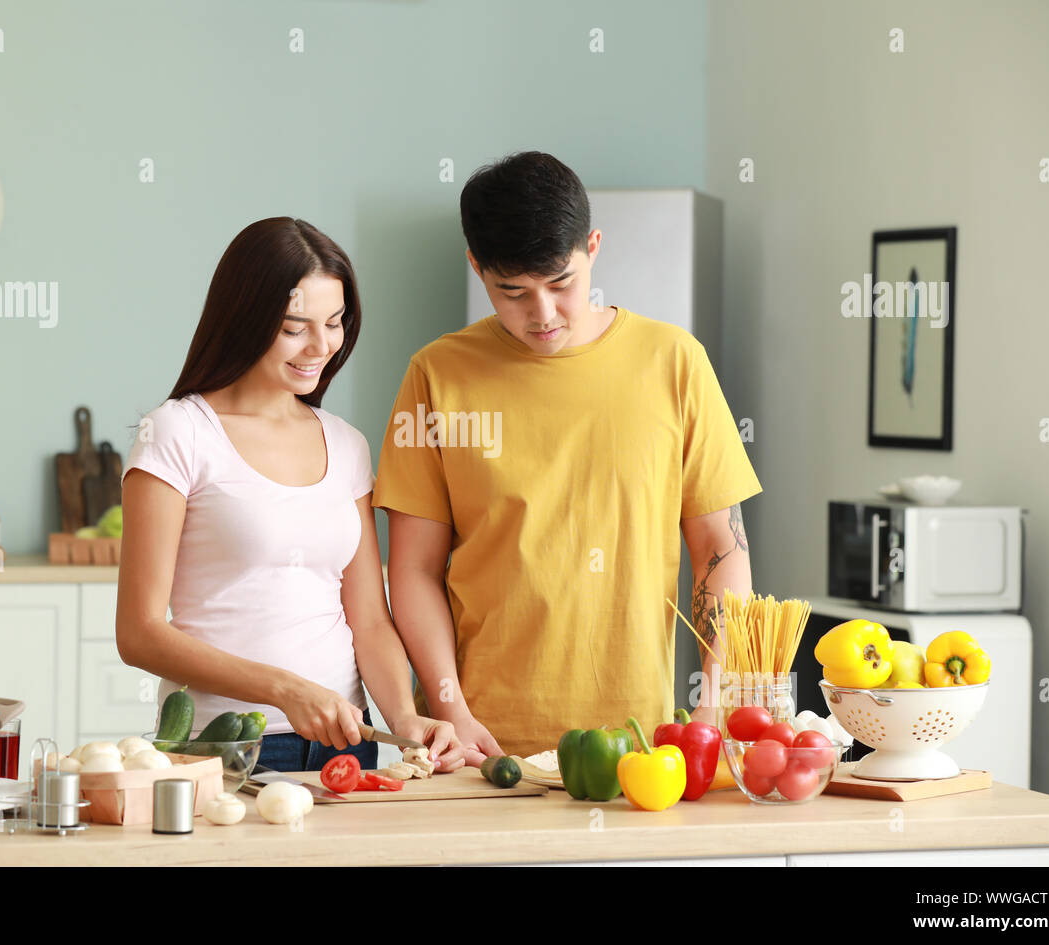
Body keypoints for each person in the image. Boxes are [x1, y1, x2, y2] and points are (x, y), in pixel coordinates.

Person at [373, 152, 761, 764]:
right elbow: (413, 570)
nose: (543, 314)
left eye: (562, 283)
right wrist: (451, 711)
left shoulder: (675, 362)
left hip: (643, 750)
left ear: (594, 248)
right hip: (478, 750)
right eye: (513, 292)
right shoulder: (436, 374)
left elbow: (719, 547)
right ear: (476, 266)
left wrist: (712, 706)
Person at [116, 217, 464, 774]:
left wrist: (403, 718)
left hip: (350, 743)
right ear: (245, 319)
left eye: (335, 322)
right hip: (223, 746)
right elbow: (139, 634)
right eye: (294, 327)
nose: (321, 346)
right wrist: (285, 690)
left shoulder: (346, 444)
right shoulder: (178, 433)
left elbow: (369, 619)